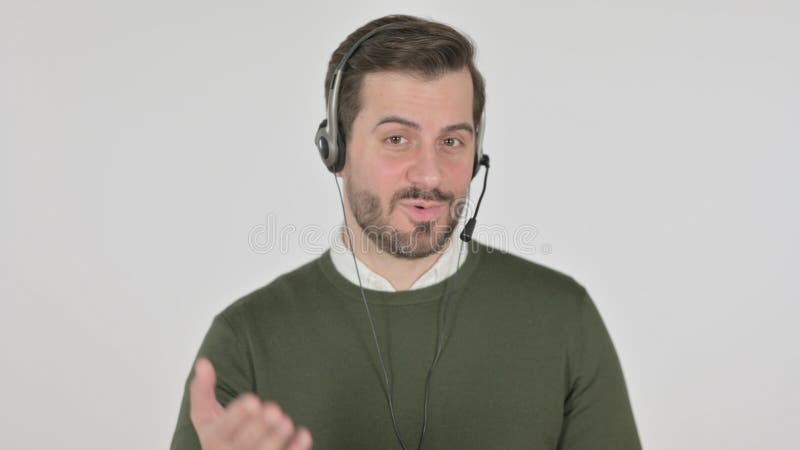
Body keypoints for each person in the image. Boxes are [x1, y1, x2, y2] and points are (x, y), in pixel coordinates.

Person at [170, 14, 642, 450]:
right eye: (397, 139)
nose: (431, 175)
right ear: (335, 150)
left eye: (452, 141)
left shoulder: (563, 319)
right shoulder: (247, 338)